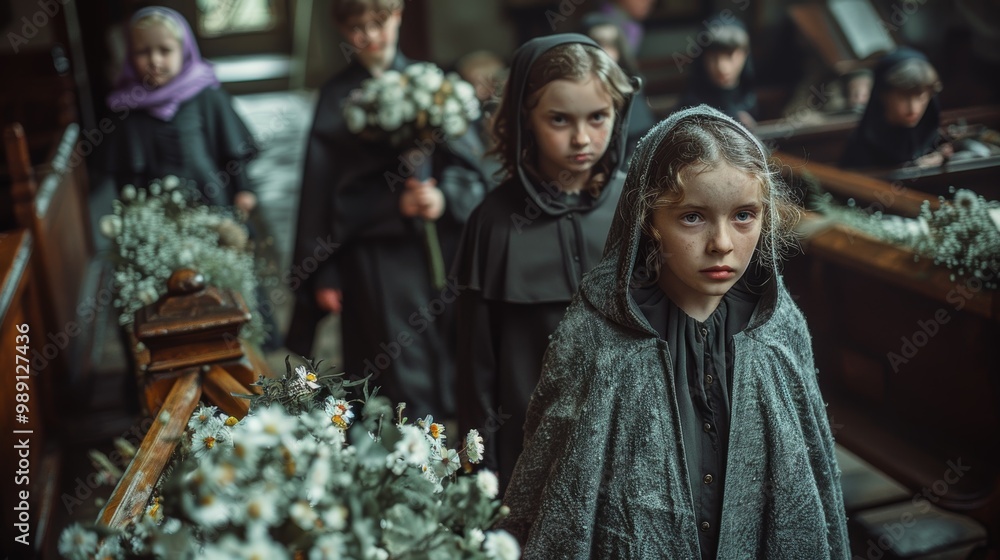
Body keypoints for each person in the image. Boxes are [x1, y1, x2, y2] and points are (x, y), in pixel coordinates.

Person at [500, 105, 850, 558]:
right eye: (692, 217)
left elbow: (810, 481)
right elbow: (556, 489)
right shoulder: (600, 331)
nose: (721, 243)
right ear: (649, 219)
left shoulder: (777, 328)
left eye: (744, 215)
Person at [452, 34, 637, 493]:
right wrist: (481, 469)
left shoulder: (636, 204)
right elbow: (477, 365)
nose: (582, 138)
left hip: (629, 438)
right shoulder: (493, 223)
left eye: (598, 117)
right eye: (559, 119)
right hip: (529, 444)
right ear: (525, 121)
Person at [287, 0, 489, 420]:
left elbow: (470, 165)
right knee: (395, 357)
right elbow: (321, 192)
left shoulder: (432, 85)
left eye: (378, 23)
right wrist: (323, 270)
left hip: (438, 246)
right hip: (375, 252)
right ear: (342, 30)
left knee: (451, 342)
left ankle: (457, 436)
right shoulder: (336, 97)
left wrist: (445, 197)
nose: (370, 37)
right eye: (356, 28)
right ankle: (408, 443)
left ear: (397, 16)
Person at [99, 6, 258, 213]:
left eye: (165, 50)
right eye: (143, 52)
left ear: (183, 50)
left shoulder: (207, 96)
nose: (155, 61)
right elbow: (126, 173)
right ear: (130, 55)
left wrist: (243, 189)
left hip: (213, 202)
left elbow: (232, 152)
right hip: (157, 216)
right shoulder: (127, 108)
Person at [840, 48, 950, 169]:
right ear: (883, 95)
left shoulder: (933, 138)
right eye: (903, 96)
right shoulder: (860, 149)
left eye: (920, 96)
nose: (913, 108)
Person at [580, 11, 656, 160]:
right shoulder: (580, 87)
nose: (606, 52)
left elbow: (641, 130)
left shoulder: (630, 84)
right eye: (599, 44)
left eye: (611, 44)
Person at [676, 16, 758, 128]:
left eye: (729, 55)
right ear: (702, 58)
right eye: (713, 57)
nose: (722, 67)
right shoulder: (690, 106)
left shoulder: (750, 98)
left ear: (745, 54)